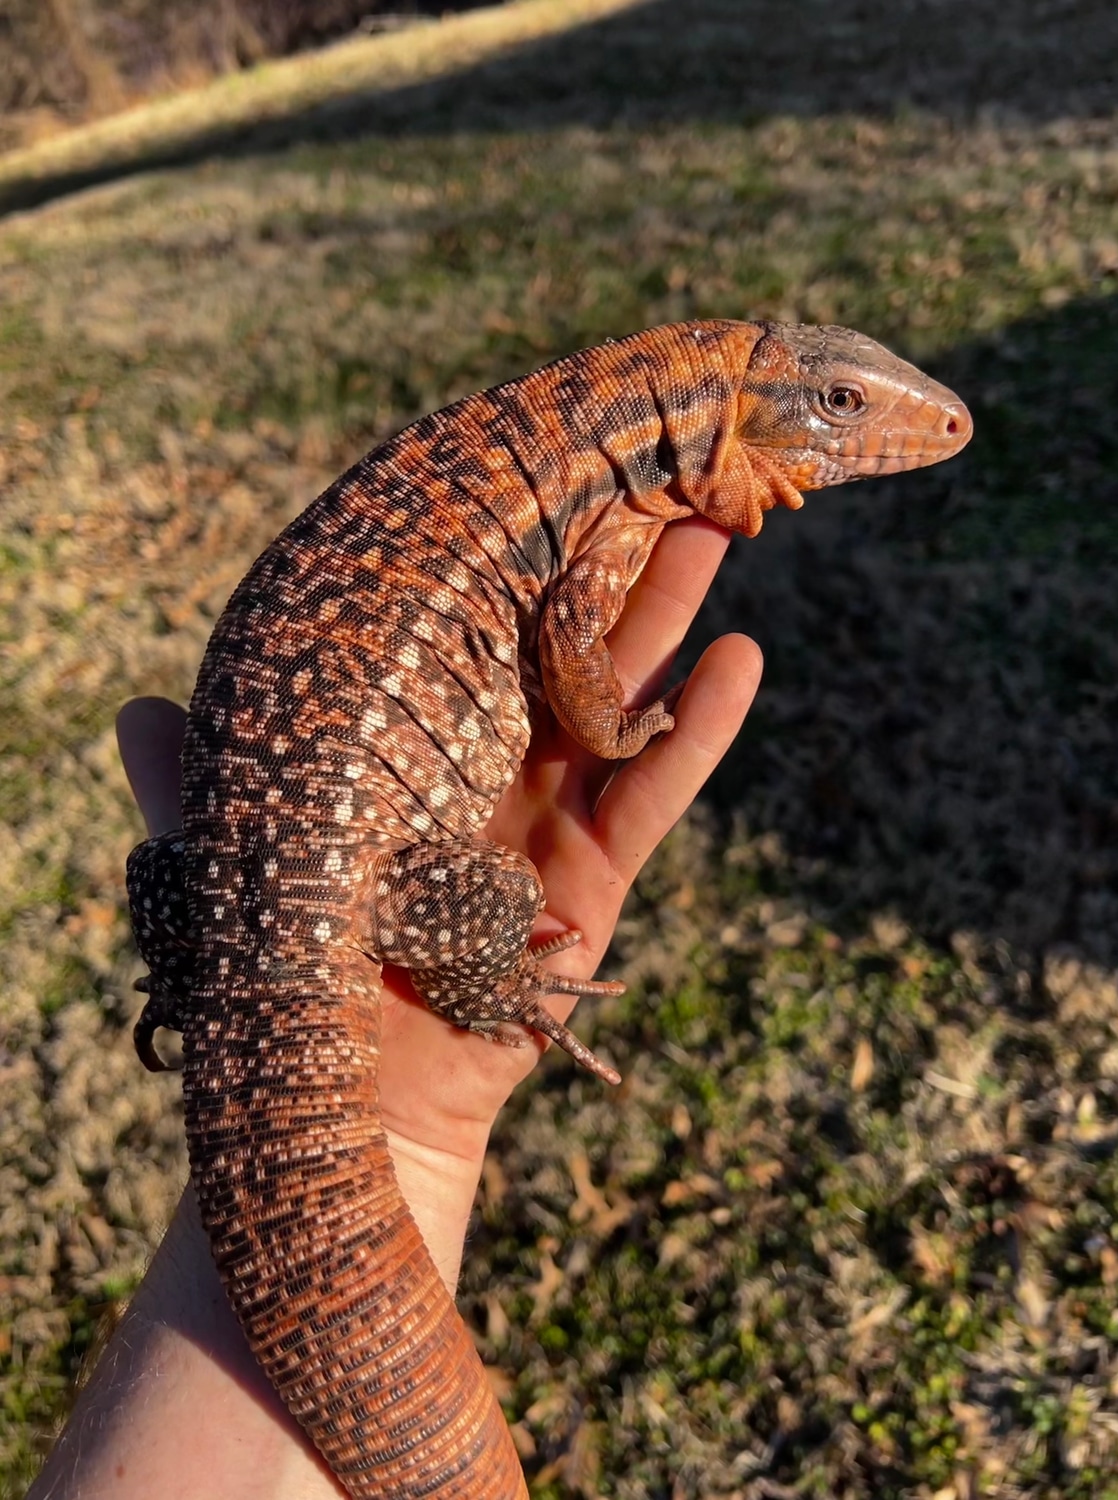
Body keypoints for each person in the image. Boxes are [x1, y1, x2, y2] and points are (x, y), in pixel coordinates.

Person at [28, 517, 762, 1499]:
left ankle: (204, 970)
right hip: (345, 892)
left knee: (189, 872)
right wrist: (484, 989)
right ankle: (479, 984)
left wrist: (198, 971)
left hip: (247, 905)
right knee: (506, 903)